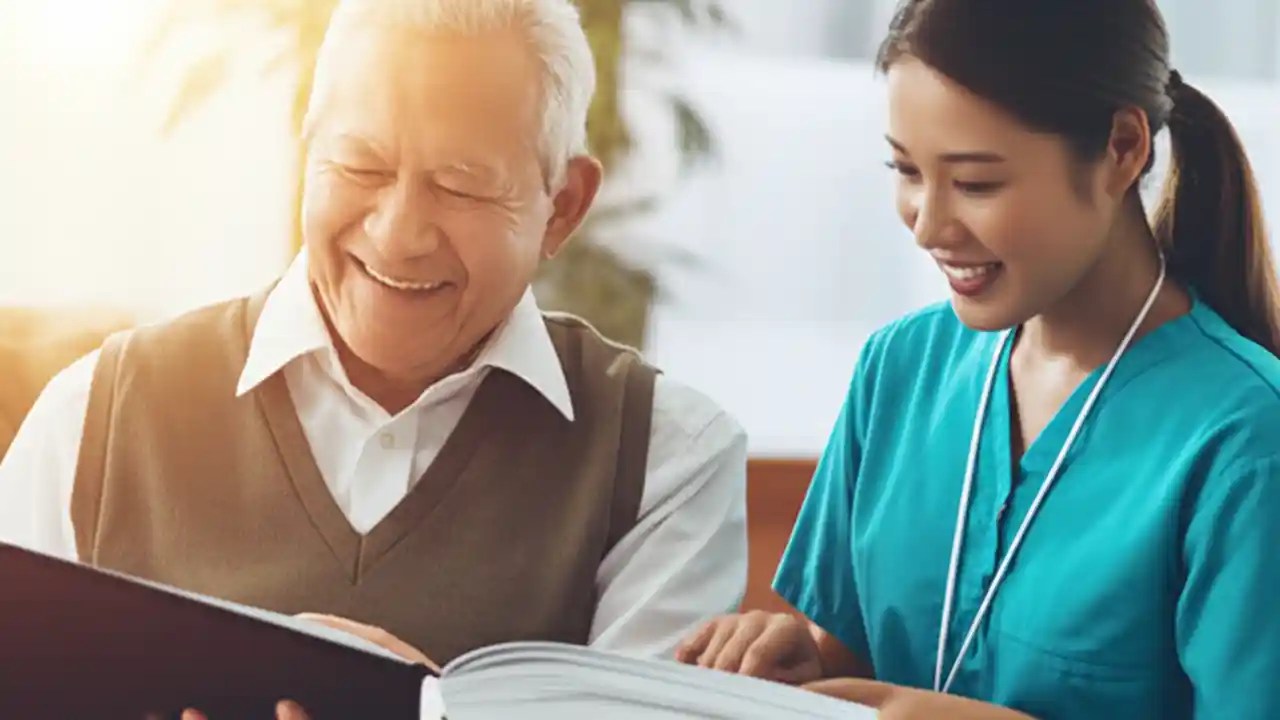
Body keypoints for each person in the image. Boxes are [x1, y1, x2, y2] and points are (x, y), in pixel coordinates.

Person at [0, 0, 748, 670]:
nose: (398, 236)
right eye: (360, 164)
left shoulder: (664, 462)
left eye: (461, 185)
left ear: (562, 206)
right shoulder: (95, 418)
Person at [678, 1, 1280, 718]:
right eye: (905, 170)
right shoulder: (900, 369)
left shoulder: (1246, 442)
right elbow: (859, 655)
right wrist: (799, 661)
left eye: (976, 184)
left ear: (1123, 148)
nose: (928, 225)